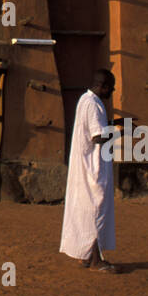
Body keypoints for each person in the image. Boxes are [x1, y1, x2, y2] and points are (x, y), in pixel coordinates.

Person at [60, 68, 118, 273]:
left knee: (86, 210)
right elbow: (98, 137)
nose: (112, 92)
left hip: (84, 167)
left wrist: (114, 124)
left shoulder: (85, 100)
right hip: (92, 169)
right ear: (103, 87)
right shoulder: (94, 105)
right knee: (95, 210)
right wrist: (122, 132)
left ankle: (86, 255)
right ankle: (95, 260)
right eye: (111, 88)